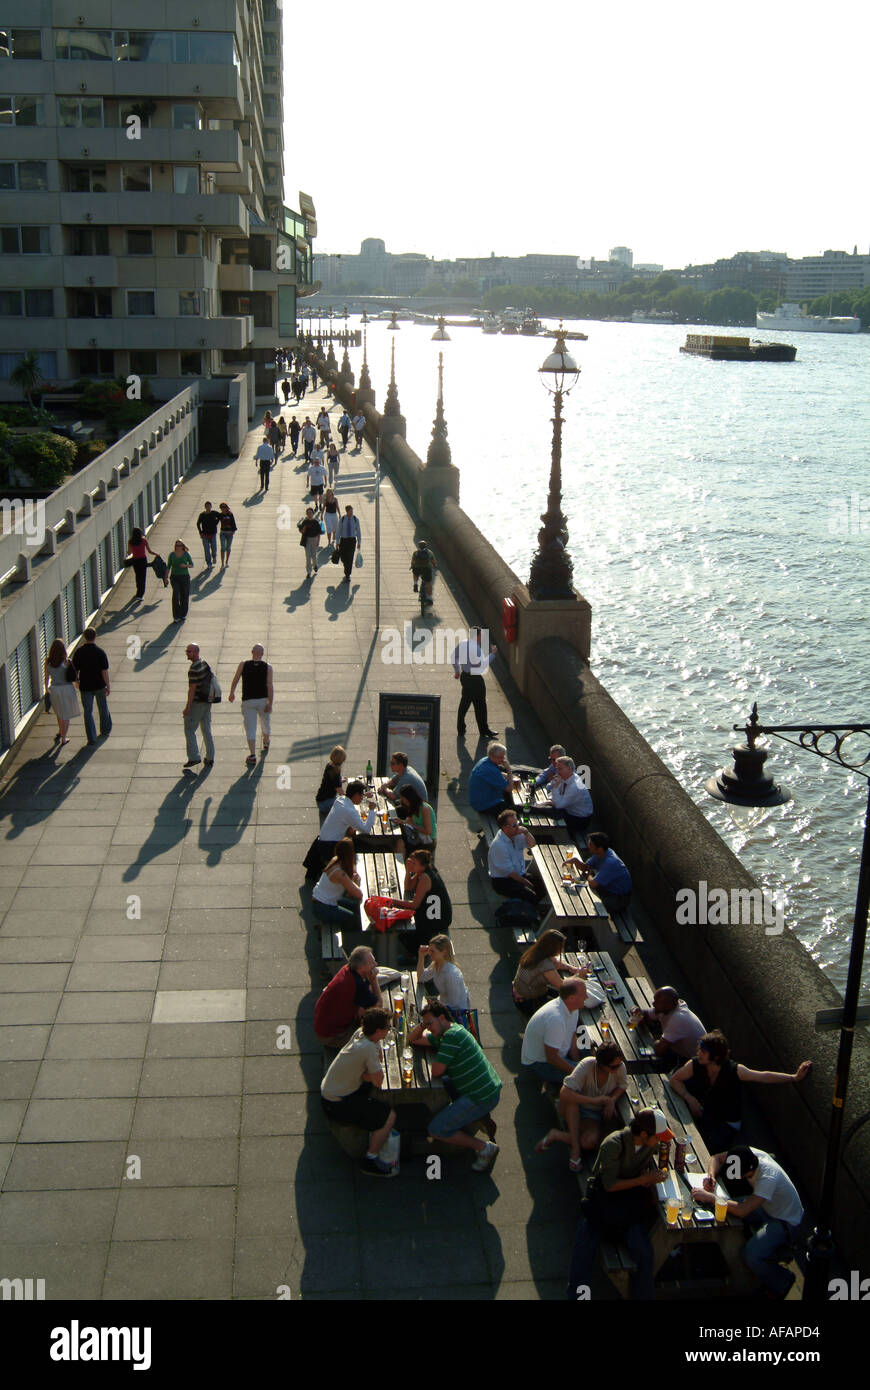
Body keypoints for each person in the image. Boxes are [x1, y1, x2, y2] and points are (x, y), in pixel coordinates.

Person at [566, 1109, 671, 1301]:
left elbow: (657, 1156)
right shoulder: (613, 1145)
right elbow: (609, 1185)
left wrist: (651, 1176)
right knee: (583, 1252)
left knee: (644, 1253)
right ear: (644, 1135)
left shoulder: (649, 1145)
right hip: (603, 1202)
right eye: (658, 1137)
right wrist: (643, 1180)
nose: (661, 1141)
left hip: (627, 1205)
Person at [669, 1032, 813, 1153]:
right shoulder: (695, 1065)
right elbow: (675, 1080)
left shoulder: (734, 1070)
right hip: (706, 1112)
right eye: (699, 1049)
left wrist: (794, 1077)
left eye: (703, 1051)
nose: (698, 1053)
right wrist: (689, 1098)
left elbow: (763, 1076)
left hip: (725, 1123)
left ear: (716, 1057)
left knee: (703, 1148)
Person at [691, 1145, 803, 1299]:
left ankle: (782, 1280)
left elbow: (743, 1210)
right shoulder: (746, 1153)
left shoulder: (768, 1178)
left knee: (751, 1254)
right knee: (719, 1211)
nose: (741, 1178)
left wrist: (712, 1197)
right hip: (765, 1206)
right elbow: (716, 1158)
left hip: (785, 1221)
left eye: (744, 1175)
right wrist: (711, 1176)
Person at [410, 1000, 500, 1171]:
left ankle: (485, 1148)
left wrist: (440, 1054)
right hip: (483, 1088)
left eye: (430, 1023)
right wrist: (423, 1025)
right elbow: (413, 1039)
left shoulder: (451, 1037)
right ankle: (474, 1118)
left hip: (481, 1096)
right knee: (444, 1082)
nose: (428, 1028)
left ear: (442, 1018)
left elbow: (436, 1071)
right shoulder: (447, 1032)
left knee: (436, 1129)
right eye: (426, 1024)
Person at [320, 1007, 398, 1178]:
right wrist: (368, 1076)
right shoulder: (367, 1048)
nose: (389, 1030)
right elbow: (378, 1081)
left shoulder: (360, 1033)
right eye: (387, 1028)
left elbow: (376, 1061)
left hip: (331, 1090)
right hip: (336, 1103)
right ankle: (371, 1159)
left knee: (370, 1092)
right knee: (389, 1116)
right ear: (378, 1031)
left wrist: (367, 1075)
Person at [536, 1042, 628, 1171]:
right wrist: (594, 1100)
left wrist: (612, 1100)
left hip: (592, 1116)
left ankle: (557, 1135)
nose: (618, 1068)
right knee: (572, 1100)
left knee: (589, 1142)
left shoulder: (620, 1067)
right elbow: (565, 1092)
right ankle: (575, 1150)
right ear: (601, 1065)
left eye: (619, 1064)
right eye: (614, 1067)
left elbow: (622, 1085)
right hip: (572, 1108)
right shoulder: (587, 1065)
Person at [520, 979, 590, 1084]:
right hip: (540, 1063)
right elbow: (552, 1058)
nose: (587, 997)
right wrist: (578, 1072)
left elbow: (572, 1037)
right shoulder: (556, 1020)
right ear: (571, 998)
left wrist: (577, 1061)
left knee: (585, 1039)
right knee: (588, 1078)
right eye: (583, 994)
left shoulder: (572, 1008)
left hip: (559, 1054)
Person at [303, 781, 377, 879]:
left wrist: (364, 797)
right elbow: (366, 829)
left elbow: (353, 806)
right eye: (361, 795)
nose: (362, 798)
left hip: (321, 842)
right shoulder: (349, 811)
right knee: (356, 842)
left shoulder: (340, 800)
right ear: (355, 795)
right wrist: (372, 811)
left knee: (351, 832)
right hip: (330, 847)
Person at [314, 945, 383, 1048]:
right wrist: (373, 979)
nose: (376, 964)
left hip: (322, 1026)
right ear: (361, 967)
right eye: (372, 963)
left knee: (367, 1014)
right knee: (376, 1034)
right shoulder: (356, 984)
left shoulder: (347, 969)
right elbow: (378, 1005)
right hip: (332, 1036)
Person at [512, 928, 589, 1018]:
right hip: (529, 1002)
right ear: (553, 948)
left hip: (520, 993)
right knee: (571, 1000)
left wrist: (572, 968)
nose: (562, 950)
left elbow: (557, 963)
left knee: (566, 997)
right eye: (561, 947)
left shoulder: (536, 952)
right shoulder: (545, 964)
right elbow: (564, 987)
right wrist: (579, 975)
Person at [628, 985, 706, 1061]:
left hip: (695, 1060)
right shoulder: (669, 1007)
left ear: (668, 1005)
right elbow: (646, 1014)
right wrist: (636, 1010)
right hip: (679, 1048)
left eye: (657, 1002)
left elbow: (659, 1051)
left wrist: (657, 1042)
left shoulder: (678, 1018)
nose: (653, 1003)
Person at [488, 807, 545, 907]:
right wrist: (528, 884)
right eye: (514, 825)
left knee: (542, 885)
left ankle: (535, 909)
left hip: (519, 873)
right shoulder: (499, 846)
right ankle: (530, 913)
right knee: (532, 896)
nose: (518, 827)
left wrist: (526, 832)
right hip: (503, 881)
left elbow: (532, 844)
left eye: (518, 823)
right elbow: (510, 873)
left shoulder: (516, 834)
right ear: (505, 827)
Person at [228, 643, 273, 764]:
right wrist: (270, 702)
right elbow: (269, 685)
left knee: (250, 728)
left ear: (252, 652)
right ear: (262, 654)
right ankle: (266, 741)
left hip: (248, 701)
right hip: (263, 700)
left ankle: (252, 755)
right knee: (265, 722)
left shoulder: (243, 664)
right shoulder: (268, 667)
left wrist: (232, 692)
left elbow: (236, 678)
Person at [453, 626, 498, 739]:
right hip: (475, 679)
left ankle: (461, 728)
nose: (482, 637)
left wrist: (457, 671)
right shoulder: (476, 649)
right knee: (480, 705)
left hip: (465, 676)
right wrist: (492, 654)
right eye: (481, 635)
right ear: (476, 636)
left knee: (464, 703)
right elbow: (482, 666)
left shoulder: (463, 643)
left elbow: (454, 657)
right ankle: (484, 730)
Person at [312, 836, 363, 930]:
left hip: (318, 902)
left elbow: (352, 872)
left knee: (357, 906)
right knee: (356, 919)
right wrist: (357, 881)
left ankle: (327, 923)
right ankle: (329, 927)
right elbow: (358, 894)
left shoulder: (335, 860)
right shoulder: (340, 873)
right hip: (324, 908)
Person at [72, 627, 111, 745]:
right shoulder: (100, 652)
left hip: (85, 686)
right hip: (99, 685)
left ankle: (91, 737)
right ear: (95, 636)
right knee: (103, 708)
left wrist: (77, 681)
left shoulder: (79, 652)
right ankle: (104, 730)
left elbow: (75, 670)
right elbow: (104, 671)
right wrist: (108, 686)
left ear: (85, 637)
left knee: (88, 711)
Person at [580, 832, 632, 912]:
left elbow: (593, 883)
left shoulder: (610, 862)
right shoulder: (601, 853)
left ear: (599, 848)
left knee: (589, 903)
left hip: (619, 899)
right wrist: (575, 861)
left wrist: (589, 875)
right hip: (608, 889)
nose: (588, 846)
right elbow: (586, 867)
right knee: (584, 893)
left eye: (591, 845)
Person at [182, 643, 215, 769]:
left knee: (189, 729)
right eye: (186, 651)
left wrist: (188, 707)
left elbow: (192, 689)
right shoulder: (204, 663)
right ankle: (210, 757)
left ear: (195, 653)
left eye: (189, 651)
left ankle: (194, 757)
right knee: (206, 730)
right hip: (208, 701)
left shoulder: (193, 669)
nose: (187, 653)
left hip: (198, 703)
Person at [544, 756, 594, 839]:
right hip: (569, 811)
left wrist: (555, 787)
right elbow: (553, 792)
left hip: (579, 820)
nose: (558, 772)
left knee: (548, 812)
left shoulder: (575, 786)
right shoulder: (566, 777)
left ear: (570, 769)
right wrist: (553, 796)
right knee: (547, 808)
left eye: (560, 769)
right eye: (557, 768)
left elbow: (559, 804)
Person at [418, 935, 470, 1011]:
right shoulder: (436, 964)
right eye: (429, 950)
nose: (429, 953)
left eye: (432, 951)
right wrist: (421, 956)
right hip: (444, 1006)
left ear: (444, 952)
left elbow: (454, 1005)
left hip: (456, 1014)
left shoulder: (451, 974)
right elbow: (421, 978)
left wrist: (434, 1008)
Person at [44, 638, 79, 746]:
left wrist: (46, 689)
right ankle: (64, 737)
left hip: (55, 689)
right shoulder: (66, 661)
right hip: (67, 689)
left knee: (59, 713)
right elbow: (73, 676)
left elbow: (46, 677)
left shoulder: (48, 661)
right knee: (66, 714)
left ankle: (60, 731)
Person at [469, 741, 512, 814]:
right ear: (492, 756)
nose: (503, 760)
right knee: (512, 811)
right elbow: (509, 789)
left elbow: (498, 774)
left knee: (508, 797)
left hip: (477, 799)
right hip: (483, 805)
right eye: (501, 757)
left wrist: (510, 777)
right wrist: (509, 770)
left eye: (504, 756)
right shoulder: (491, 770)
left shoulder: (485, 760)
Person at [395, 784, 436, 852]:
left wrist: (413, 825)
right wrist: (402, 821)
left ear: (408, 798)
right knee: (399, 841)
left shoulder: (424, 809)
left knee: (400, 843)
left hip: (427, 841)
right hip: (418, 835)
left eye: (403, 798)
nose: (402, 801)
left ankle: (403, 860)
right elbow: (410, 821)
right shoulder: (413, 806)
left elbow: (428, 831)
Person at [315, 744, 347, 820]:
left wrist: (340, 780)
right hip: (326, 803)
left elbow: (330, 782)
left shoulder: (329, 765)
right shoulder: (336, 773)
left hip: (320, 800)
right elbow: (341, 792)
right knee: (345, 807)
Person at [126, 526, 157, 600]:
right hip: (143, 560)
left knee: (138, 576)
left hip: (135, 561)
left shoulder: (131, 541)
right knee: (143, 577)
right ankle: (141, 594)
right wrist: (156, 554)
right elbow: (149, 551)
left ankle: (138, 592)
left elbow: (129, 552)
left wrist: (129, 552)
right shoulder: (144, 540)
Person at [167, 539, 194, 621]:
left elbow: (192, 565)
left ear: (183, 546)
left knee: (184, 595)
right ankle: (176, 615)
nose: (178, 547)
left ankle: (183, 614)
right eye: (177, 546)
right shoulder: (172, 555)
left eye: (180, 545)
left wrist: (185, 566)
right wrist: (165, 577)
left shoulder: (186, 554)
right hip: (174, 577)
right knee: (175, 595)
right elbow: (168, 566)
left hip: (185, 577)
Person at [337, 504, 361, 581]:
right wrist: (337, 541)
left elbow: (358, 531)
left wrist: (359, 542)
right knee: (343, 557)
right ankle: (345, 566)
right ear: (347, 511)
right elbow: (338, 530)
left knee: (350, 557)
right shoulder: (343, 519)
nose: (351, 512)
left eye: (352, 511)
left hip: (352, 540)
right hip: (343, 540)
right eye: (350, 511)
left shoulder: (355, 519)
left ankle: (348, 574)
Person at [297, 506, 322, 580]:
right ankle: (308, 572)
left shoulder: (316, 522)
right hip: (307, 540)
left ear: (313, 513)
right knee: (308, 556)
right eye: (308, 513)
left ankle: (315, 565)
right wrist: (303, 528)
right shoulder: (305, 522)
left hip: (314, 539)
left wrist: (318, 541)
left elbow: (318, 533)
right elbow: (302, 532)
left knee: (313, 555)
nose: (309, 514)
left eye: (310, 513)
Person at [410, 540, 436, 606]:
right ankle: (429, 598)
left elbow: (412, 561)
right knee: (428, 583)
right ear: (425, 546)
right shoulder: (430, 552)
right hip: (426, 569)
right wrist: (434, 565)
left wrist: (412, 566)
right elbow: (434, 562)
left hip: (418, 568)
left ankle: (415, 584)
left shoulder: (415, 552)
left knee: (415, 574)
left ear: (419, 546)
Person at [196, 502, 220, 568]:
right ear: (205, 507)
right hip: (205, 534)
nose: (208, 507)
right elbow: (198, 523)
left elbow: (220, 516)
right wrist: (200, 532)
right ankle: (209, 563)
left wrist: (216, 522)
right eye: (207, 506)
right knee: (206, 550)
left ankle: (214, 556)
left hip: (213, 533)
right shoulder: (202, 515)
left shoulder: (214, 513)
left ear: (211, 506)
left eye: (209, 506)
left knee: (214, 547)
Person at [218, 503, 237, 570]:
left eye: (224, 507)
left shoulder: (230, 514)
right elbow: (216, 521)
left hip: (229, 533)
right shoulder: (220, 515)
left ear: (226, 508)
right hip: (223, 532)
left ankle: (227, 561)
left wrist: (233, 531)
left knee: (228, 548)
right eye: (221, 508)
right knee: (223, 548)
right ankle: (222, 563)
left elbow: (234, 524)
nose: (223, 509)